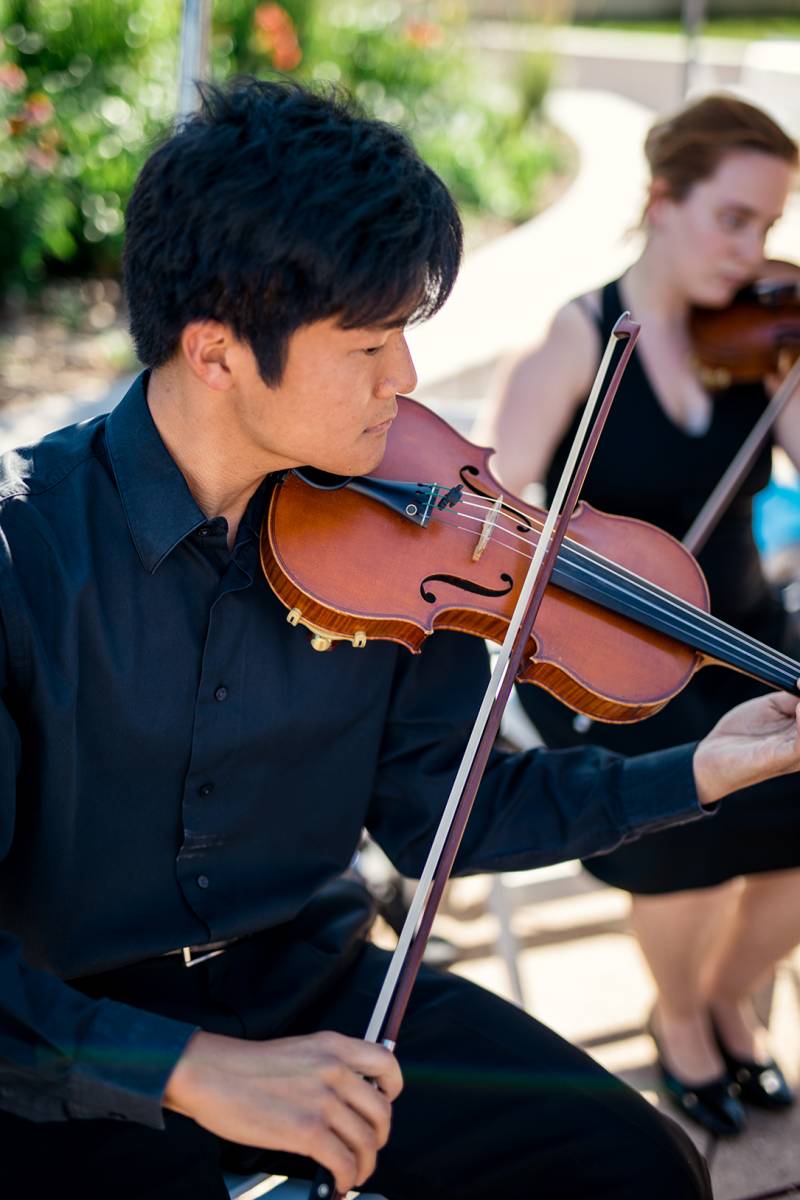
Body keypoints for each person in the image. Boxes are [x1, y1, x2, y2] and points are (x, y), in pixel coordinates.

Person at [0, 81, 799, 1200]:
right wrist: (191, 1071)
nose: (408, 383)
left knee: (636, 1171)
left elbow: (440, 814)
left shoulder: (398, 531)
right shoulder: (23, 552)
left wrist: (706, 766)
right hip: (69, 1035)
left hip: (319, 989)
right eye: (369, 346)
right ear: (217, 352)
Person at [484, 93, 800, 1138]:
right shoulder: (579, 338)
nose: (752, 246)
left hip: (749, 639)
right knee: (684, 829)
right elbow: (495, 508)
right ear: (661, 201)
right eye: (732, 218)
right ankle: (680, 1016)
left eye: (768, 224)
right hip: (616, 659)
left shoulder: (756, 336)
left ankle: (720, 996)